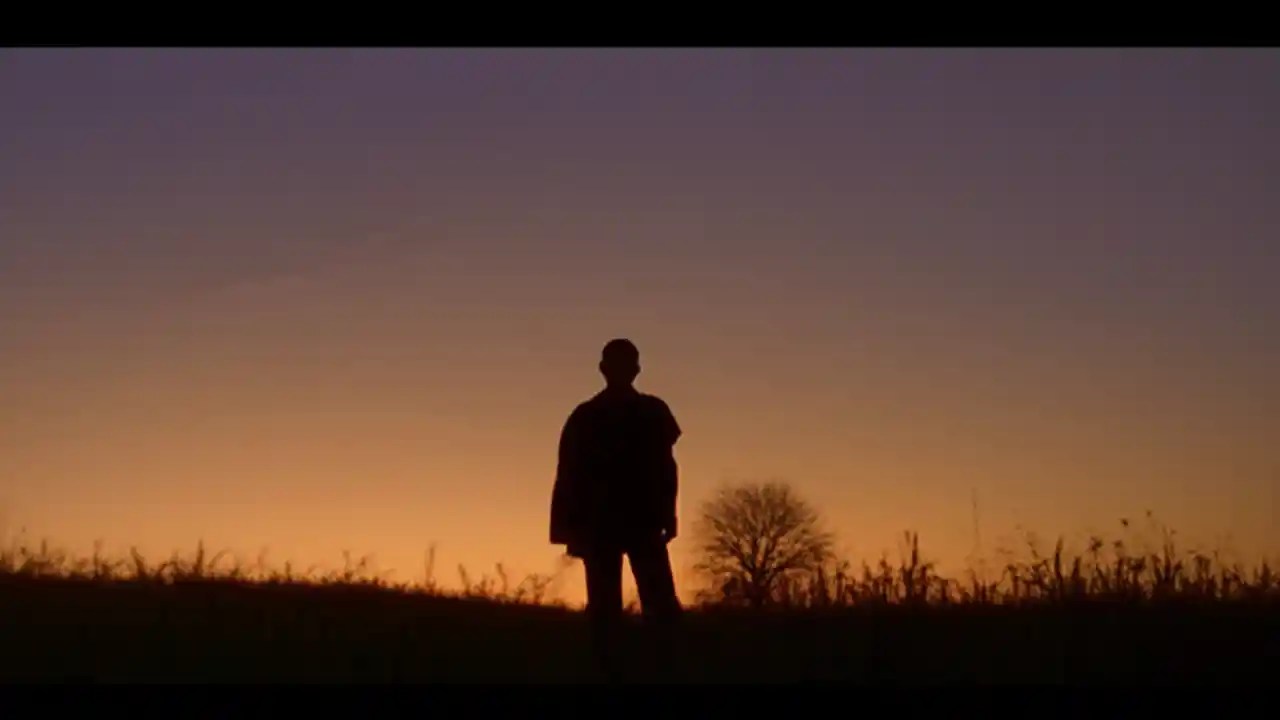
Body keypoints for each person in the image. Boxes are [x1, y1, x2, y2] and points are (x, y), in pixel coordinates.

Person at [550, 338, 683, 676]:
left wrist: (568, 528)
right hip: (624, 522)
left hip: (620, 522)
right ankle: (648, 668)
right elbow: (570, 473)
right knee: (640, 605)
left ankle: (629, 668)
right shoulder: (647, 412)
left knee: (627, 606)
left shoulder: (589, 415)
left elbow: (569, 475)